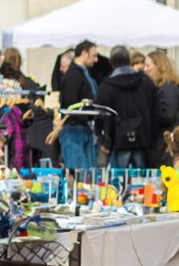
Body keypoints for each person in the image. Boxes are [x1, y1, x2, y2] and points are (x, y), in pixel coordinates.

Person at [90, 46, 157, 170]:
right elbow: (154, 110)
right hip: (143, 139)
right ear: (129, 60)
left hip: (118, 140)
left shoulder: (107, 85)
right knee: (142, 182)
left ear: (111, 62)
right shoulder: (146, 81)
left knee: (119, 182)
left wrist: (103, 138)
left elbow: (101, 115)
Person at [52, 42, 102, 171]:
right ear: (84, 54)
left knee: (87, 175)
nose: (96, 60)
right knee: (79, 175)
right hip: (74, 131)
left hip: (82, 129)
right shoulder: (74, 75)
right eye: (94, 55)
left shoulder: (83, 74)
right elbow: (70, 105)